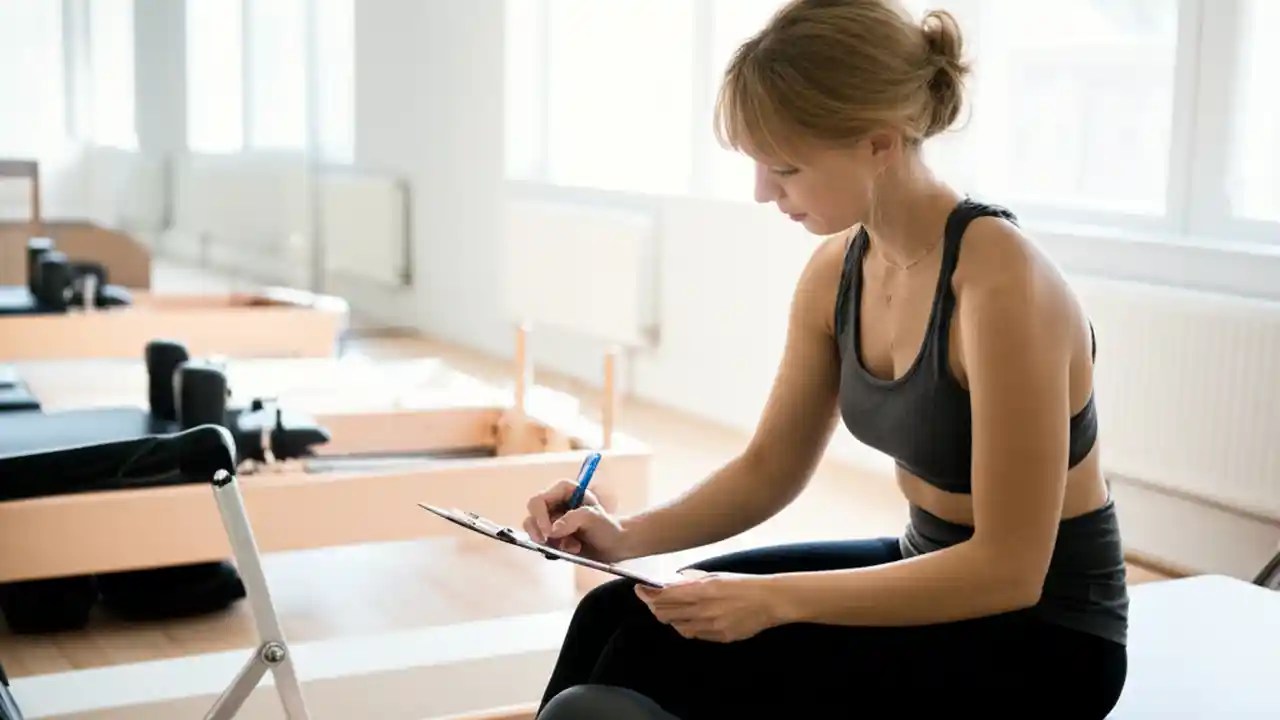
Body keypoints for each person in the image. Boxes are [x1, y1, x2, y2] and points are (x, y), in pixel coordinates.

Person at [523, 1, 1129, 717]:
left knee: (637, 677)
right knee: (616, 614)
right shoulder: (836, 270)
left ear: (879, 142)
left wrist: (772, 602)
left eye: (785, 166)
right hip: (925, 563)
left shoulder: (1004, 286)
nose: (761, 191)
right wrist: (624, 538)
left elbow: (1009, 571)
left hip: (1046, 635)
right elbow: (769, 469)